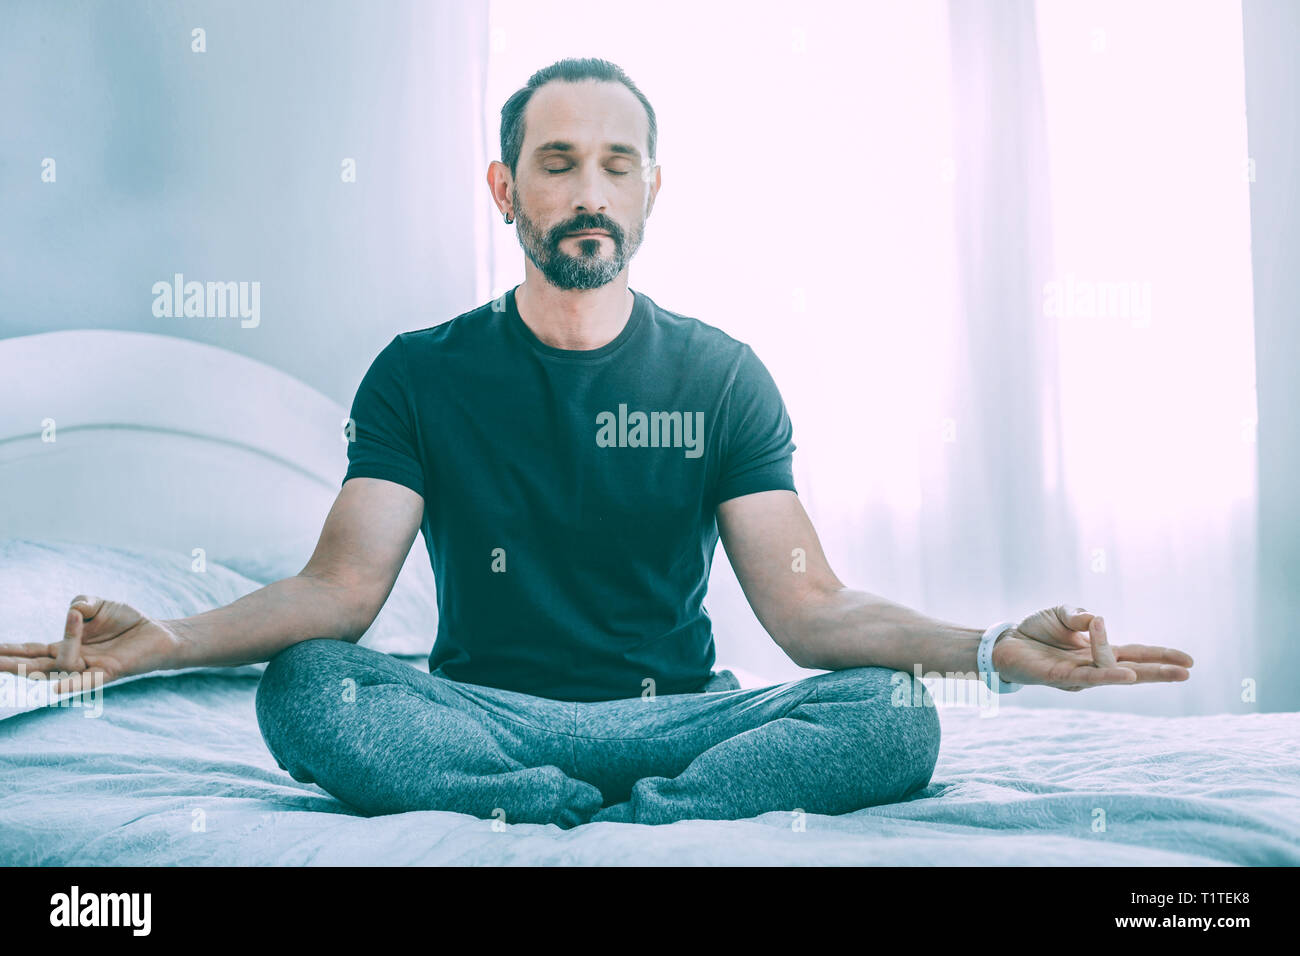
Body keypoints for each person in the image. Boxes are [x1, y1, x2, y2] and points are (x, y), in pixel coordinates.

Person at [3, 58, 1193, 829]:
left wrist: (987, 647)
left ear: (651, 189)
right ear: (503, 186)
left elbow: (811, 610)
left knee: (891, 710)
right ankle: (562, 800)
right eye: (557, 162)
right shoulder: (420, 372)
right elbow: (338, 589)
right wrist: (157, 645)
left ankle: (643, 809)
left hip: (682, 712)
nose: (587, 189)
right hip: (481, 713)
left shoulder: (720, 374)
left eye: (614, 164)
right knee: (308, 688)